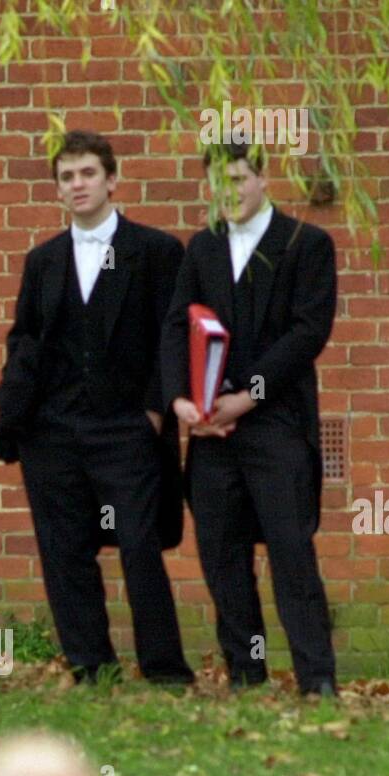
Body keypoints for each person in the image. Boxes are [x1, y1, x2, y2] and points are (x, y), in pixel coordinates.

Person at [0, 130, 193, 686]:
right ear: (57, 189)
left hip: (127, 428)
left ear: (111, 179)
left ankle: (165, 670)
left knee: (140, 545)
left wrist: (154, 414)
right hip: (53, 431)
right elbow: (25, 340)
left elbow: (170, 339)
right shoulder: (44, 261)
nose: (77, 184)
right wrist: (19, 417)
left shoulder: (156, 252)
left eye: (87, 173)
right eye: (66, 177)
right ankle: (91, 667)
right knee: (65, 551)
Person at [161, 139, 337, 696]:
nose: (229, 192)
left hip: (276, 424)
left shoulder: (306, 244)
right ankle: (246, 675)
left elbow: (308, 333)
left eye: (238, 179)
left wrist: (249, 395)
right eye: (219, 183)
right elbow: (174, 327)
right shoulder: (202, 250)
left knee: (291, 554)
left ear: (263, 180)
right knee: (222, 555)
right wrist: (182, 403)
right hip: (212, 432)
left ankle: (318, 681)